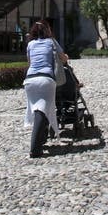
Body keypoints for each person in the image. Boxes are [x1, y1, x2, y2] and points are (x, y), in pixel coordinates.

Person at [23, 19, 68, 158]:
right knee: (44, 109)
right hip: (46, 79)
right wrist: (65, 57)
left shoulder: (30, 44)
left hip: (29, 80)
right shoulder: (51, 42)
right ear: (47, 31)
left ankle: (41, 138)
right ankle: (35, 149)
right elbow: (63, 59)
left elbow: (30, 62)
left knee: (38, 108)